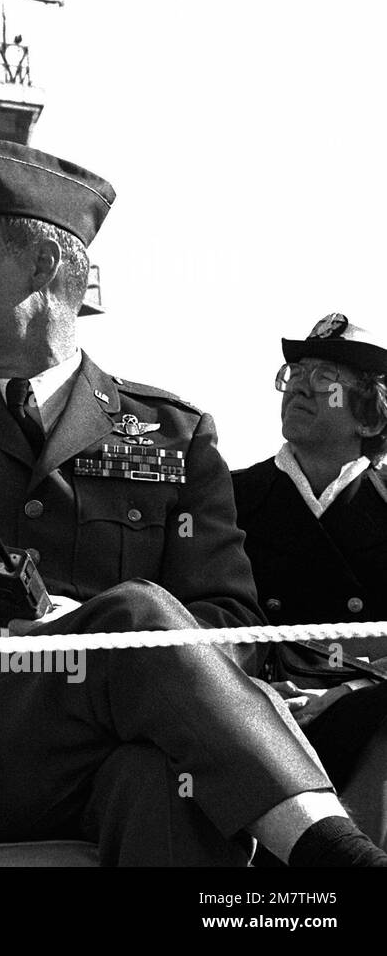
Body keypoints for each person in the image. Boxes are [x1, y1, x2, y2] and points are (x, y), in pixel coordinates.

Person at [0, 137, 387, 868]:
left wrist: (90, 640)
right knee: (135, 616)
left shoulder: (173, 434)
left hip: (103, 764)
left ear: (42, 266)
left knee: (159, 777)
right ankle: (339, 859)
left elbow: (231, 625)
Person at [232, 314, 387, 846]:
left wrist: (350, 685)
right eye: (295, 371)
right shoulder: (226, 499)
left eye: (325, 378)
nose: (299, 383)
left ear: (369, 417)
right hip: (252, 702)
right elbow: (196, 613)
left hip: (363, 703)